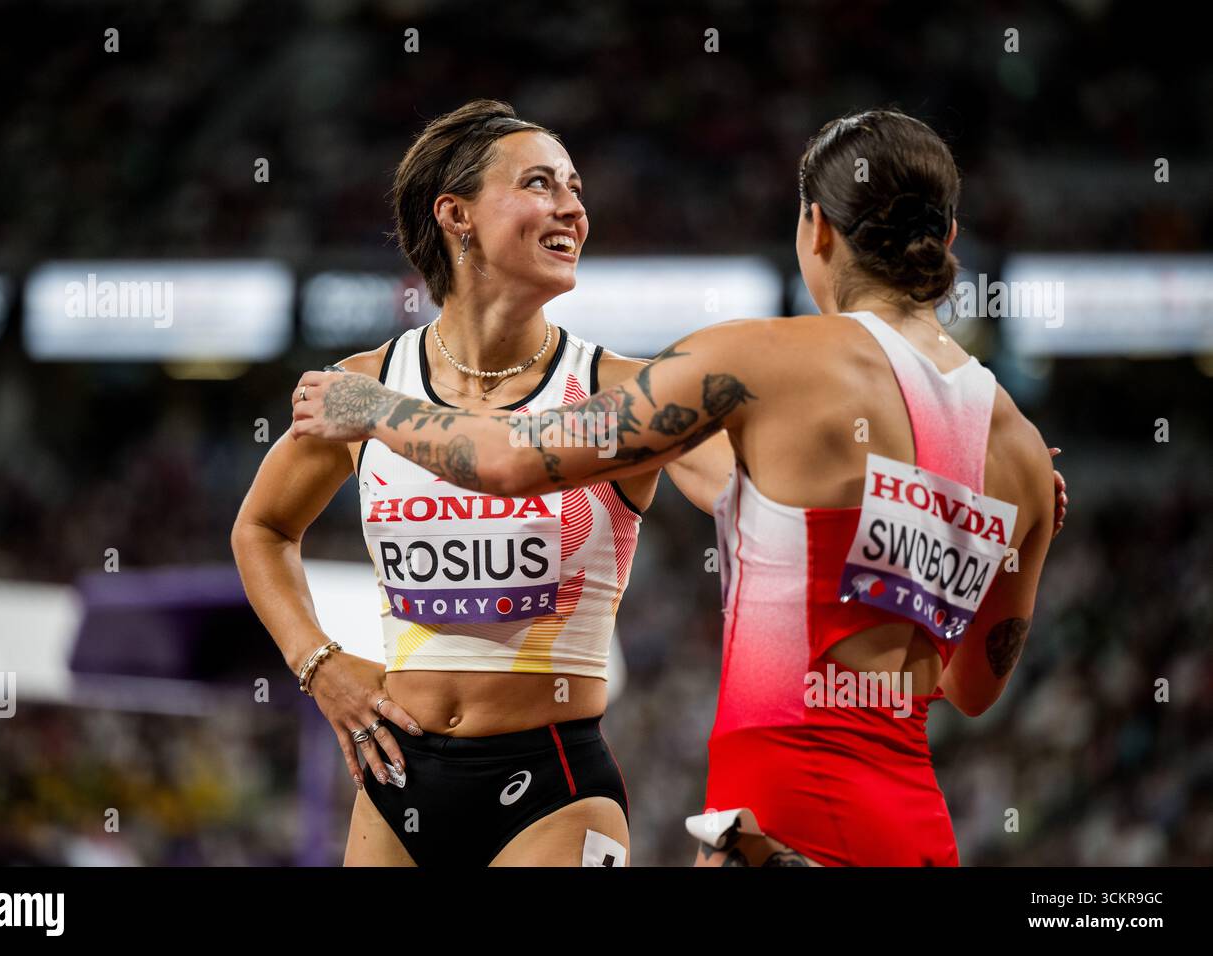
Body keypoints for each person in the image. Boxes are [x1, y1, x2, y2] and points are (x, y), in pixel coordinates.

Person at [289, 109, 1066, 866]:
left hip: (778, 821)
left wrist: (372, 406)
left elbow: (508, 461)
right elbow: (971, 688)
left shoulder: (759, 362)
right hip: (914, 829)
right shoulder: (1022, 452)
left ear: (817, 230)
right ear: (949, 240)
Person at [232, 99, 737, 867]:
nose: (573, 206)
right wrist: (318, 663)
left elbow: (751, 498)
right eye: (540, 183)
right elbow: (261, 531)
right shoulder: (363, 383)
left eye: (575, 188)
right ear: (456, 214)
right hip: (398, 778)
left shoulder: (624, 391)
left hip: (553, 785)